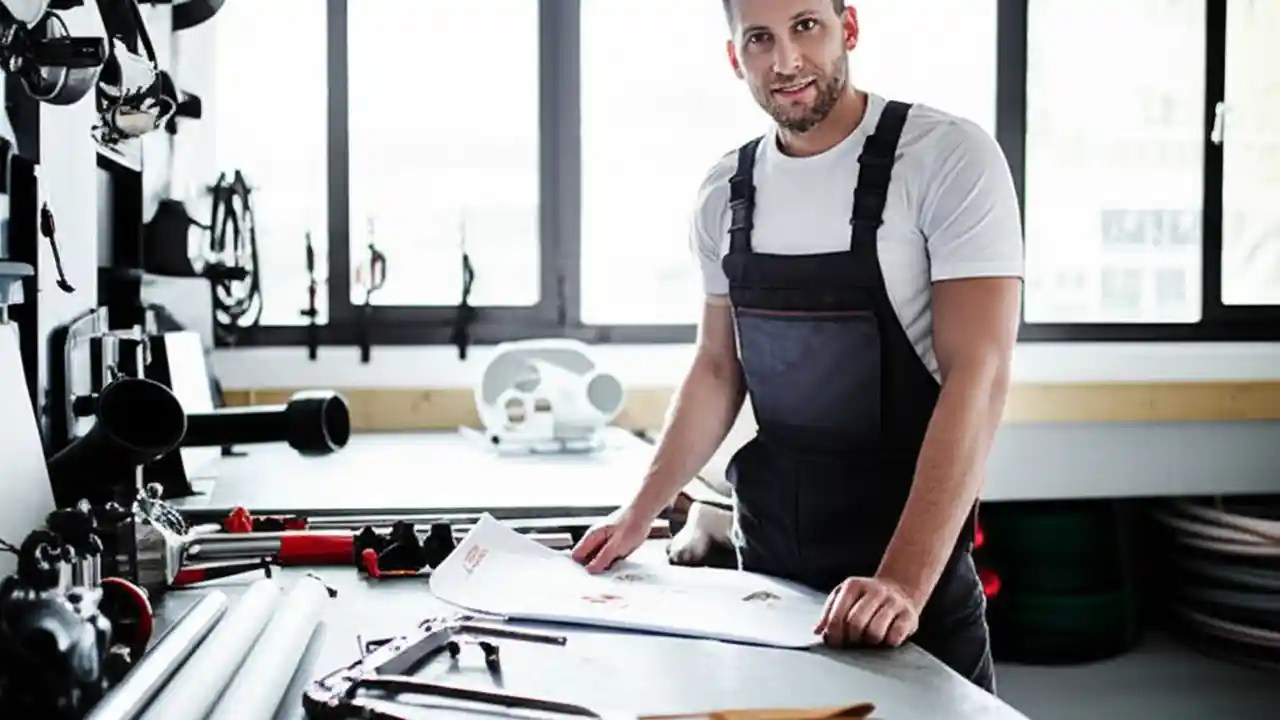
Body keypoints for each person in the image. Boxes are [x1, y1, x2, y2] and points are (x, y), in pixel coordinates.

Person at [570, 0, 1022, 694]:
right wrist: (637, 515)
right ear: (734, 57)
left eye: (805, 26)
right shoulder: (725, 191)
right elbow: (718, 370)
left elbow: (979, 379)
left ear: (849, 28)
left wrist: (900, 584)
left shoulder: (946, 157)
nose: (785, 61)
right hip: (770, 586)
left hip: (911, 584)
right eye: (760, 39)